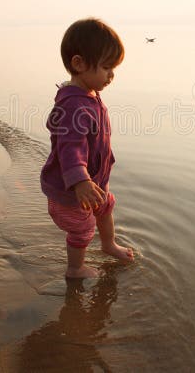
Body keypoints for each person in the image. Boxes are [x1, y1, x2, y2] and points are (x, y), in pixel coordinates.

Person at [40, 18, 134, 278]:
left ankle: (108, 245)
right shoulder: (73, 105)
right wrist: (79, 181)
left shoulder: (87, 93)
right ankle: (75, 268)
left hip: (93, 182)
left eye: (113, 68)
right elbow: (70, 147)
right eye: (106, 68)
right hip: (71, 192)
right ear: (79, 64)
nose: (111, 76)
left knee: (106, 206)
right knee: (82, 229)